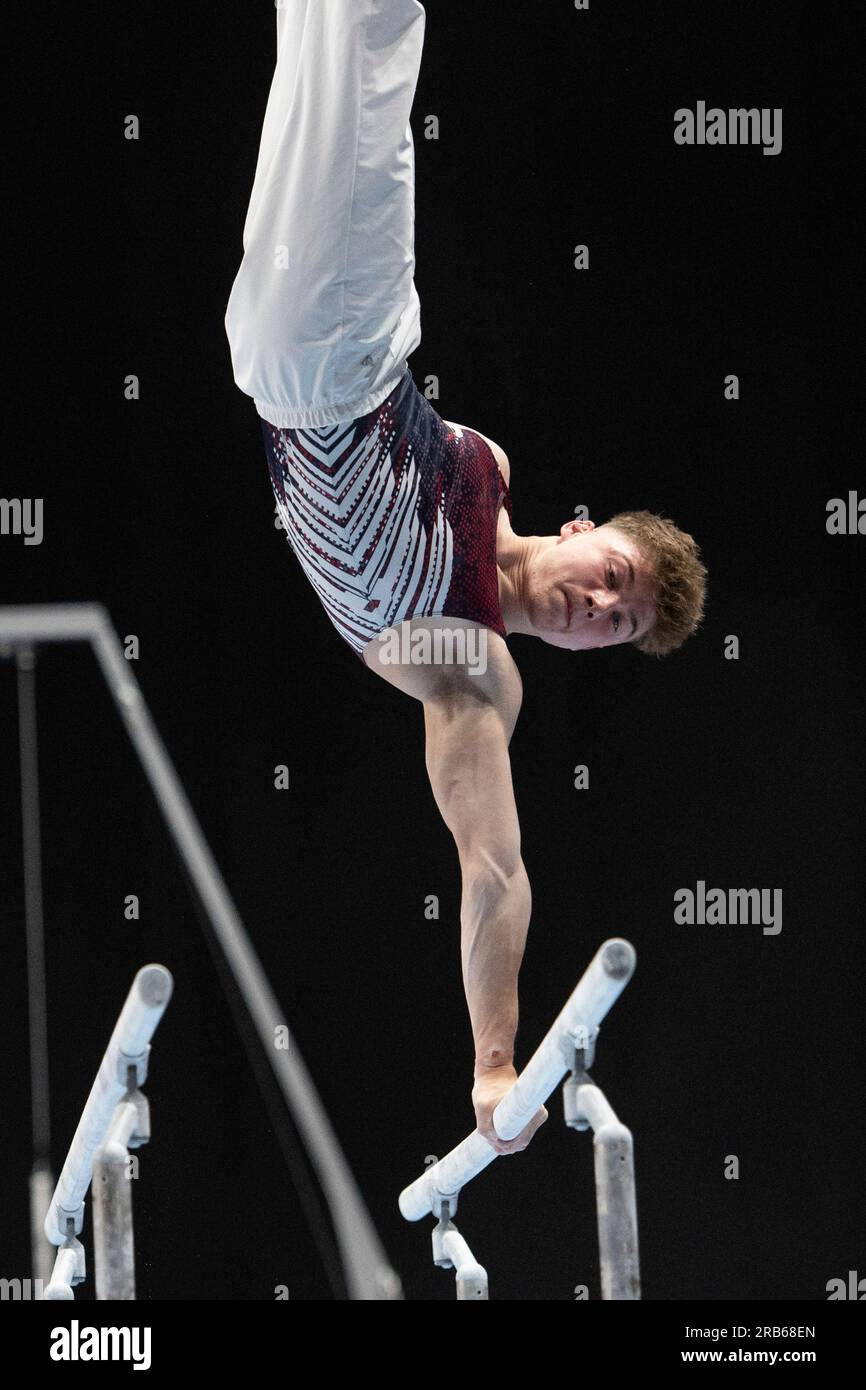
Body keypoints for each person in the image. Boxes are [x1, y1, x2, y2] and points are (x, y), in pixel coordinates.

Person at [225, 0, 707, 1157]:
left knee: (360, 49)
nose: (594, 605)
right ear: (589, 527)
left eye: (612, 624)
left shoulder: (472, 674)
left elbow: (493, 868)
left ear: (590, 653)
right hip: (346, 342)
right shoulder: (489, 462)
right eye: (615, 578)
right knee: (336, 37)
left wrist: (494, 1060)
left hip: (302, 364)